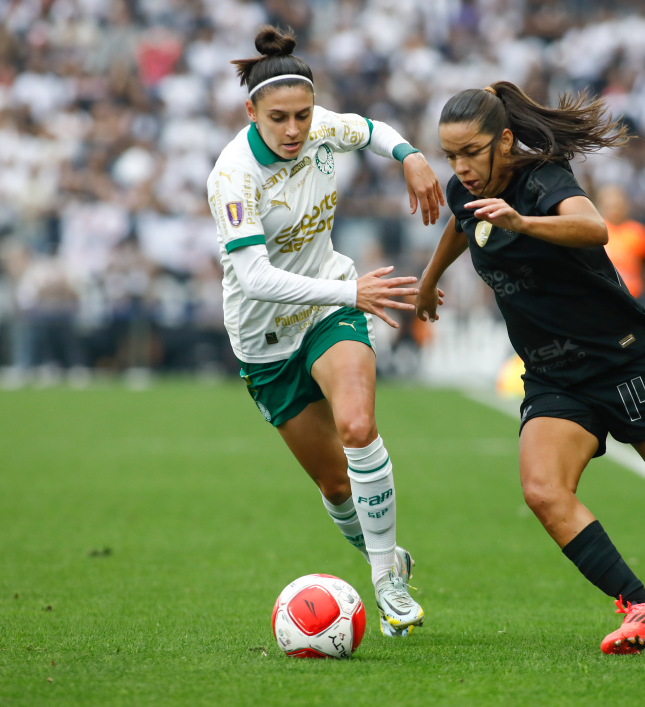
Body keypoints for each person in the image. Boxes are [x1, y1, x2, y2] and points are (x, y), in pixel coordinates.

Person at [416, 81, 645, 655]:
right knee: (543, 490)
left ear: (505, 142)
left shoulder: (542, 181)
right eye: (451, 156)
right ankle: (641, 605)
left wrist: (522, 222)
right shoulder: (463, 191)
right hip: (554, 376)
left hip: (625, 362)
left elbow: (594, 228)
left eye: (471, 152)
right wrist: (429, 280)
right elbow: (461, 224)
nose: (461, 168)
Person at [207, 26, 445, 638]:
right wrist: (352, 292)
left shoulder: (320, 129)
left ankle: (387, 582)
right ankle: (382, 553)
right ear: (251, 112)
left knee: (358, 428)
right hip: (265, 341)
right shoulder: (232, 176)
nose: (294, 130)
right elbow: (255, 277)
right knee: (336, 484)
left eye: (303, 116)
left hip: (329, 309)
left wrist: (410, 156)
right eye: (279, 118)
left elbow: (368, 128)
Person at [596, 183, 645, 315]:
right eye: (610, 205)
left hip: (634, 298)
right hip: (605, 298)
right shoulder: (596, 231)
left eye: (618, 204)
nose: (615, 210)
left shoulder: (638, 232)